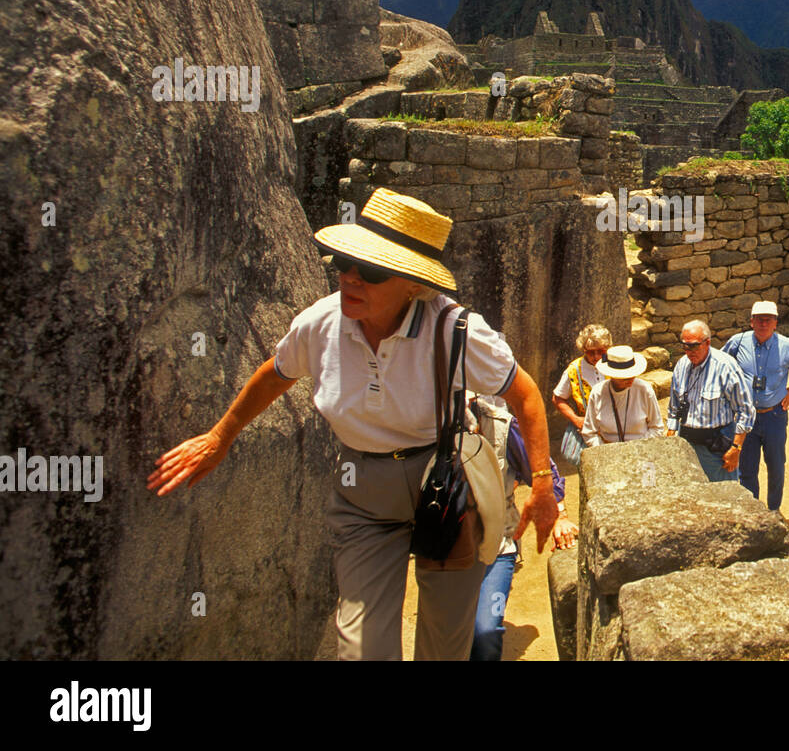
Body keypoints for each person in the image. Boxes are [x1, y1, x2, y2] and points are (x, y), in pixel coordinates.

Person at [146, 187, 558, 659]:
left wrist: (543, 486)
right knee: (362, 649)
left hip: (442, 481)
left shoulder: (454, 330)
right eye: (344, 262)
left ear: (413, 285)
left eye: (372, 271)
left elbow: (524, 393)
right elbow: (275, 373)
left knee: (446, 644)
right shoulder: (322, 322)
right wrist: (221, 436)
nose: (350, 278)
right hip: (363, 490)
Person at [466, 394, 577, 661]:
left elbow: (545, 475)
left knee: (486, 630)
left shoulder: (503, 427)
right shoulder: (422, 429)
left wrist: (559, 516)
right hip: (446, 550)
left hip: (498, 543)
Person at [722, 301, 789, 513]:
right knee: (747, 468)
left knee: (776, 466)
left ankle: (774, 510)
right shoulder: (737, 342)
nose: (763, 323)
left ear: (775, 323)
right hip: (745, 418)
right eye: (759, 319)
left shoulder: (788, 347)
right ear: (751, 322)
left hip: (775, 417)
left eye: (768, 319)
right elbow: (722, 363)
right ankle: (753, 512)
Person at [665, 319, 754, 481]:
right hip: (686, 443)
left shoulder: (726, 366)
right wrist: (671, 429)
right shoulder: (682, 365)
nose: (689, 351)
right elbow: (674, 406)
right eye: (685, 346)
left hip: (716, 448)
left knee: (725, 498)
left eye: (694, 346)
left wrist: (736, 448)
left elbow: (746, 411)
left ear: (707, 343)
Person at [580, 345, 664, 445]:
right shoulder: (598, 393)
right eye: (624, 377)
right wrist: (605, 450)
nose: (630, 379)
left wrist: (637, 449)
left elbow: (657, 428)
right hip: (607, 451)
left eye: (632, 375)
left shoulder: (644, 390)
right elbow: (589, 433)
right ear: (612, 375)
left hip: (641, 450)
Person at [552, 324, 610, 432]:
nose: (596, 357)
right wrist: (575, 419)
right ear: (583, 350)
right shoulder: (574, 370)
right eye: (591, 352)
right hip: (587, 430)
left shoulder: (614, 363)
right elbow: (557, 398)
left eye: (601, 352)